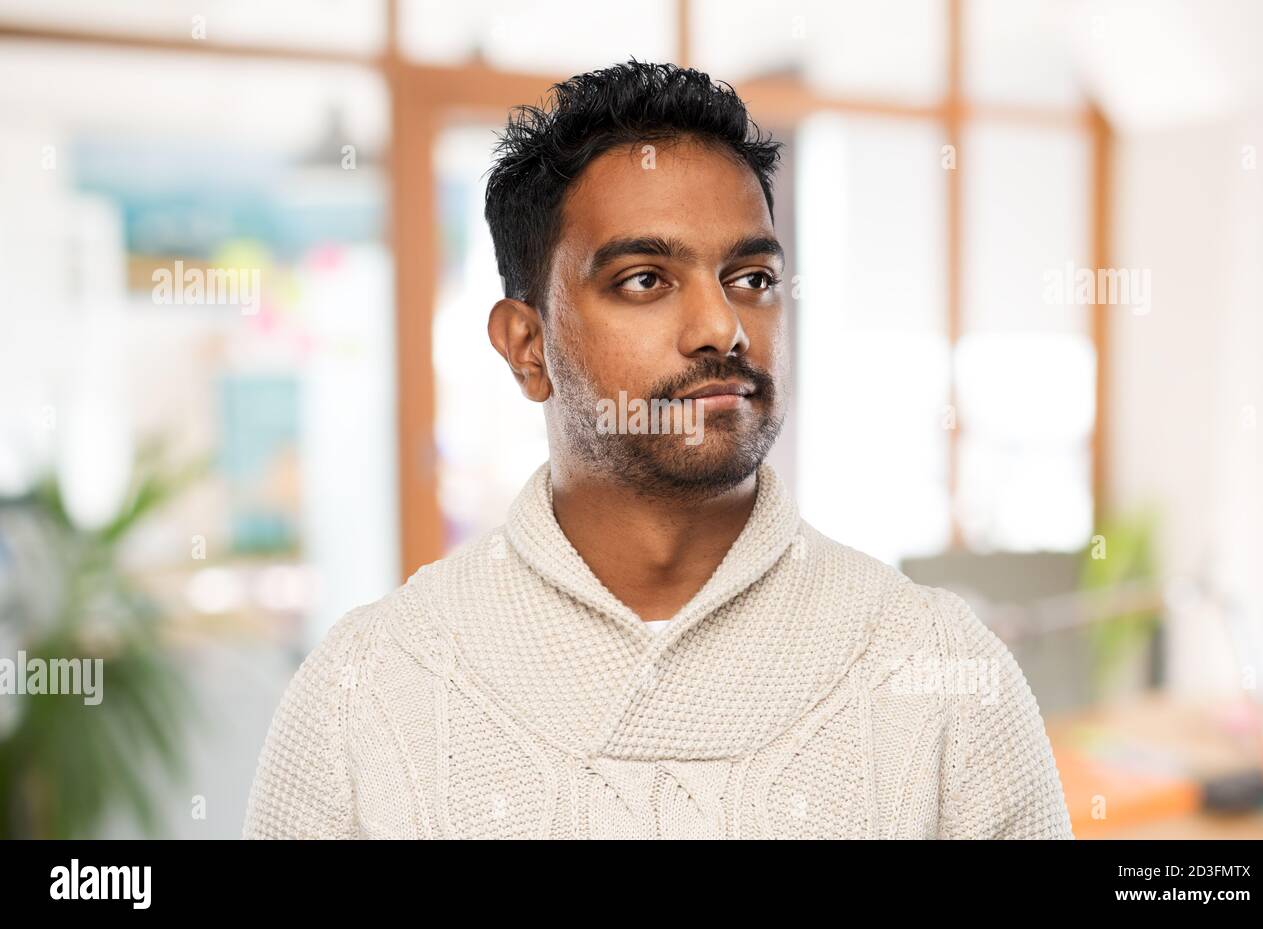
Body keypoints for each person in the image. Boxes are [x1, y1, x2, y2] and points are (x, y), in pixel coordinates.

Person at [242, 59, 1073, 840]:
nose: (723, 327)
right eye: (644, 279)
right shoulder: (363, 691)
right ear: (527, 347)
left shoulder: (946, 676)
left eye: (751, 279)